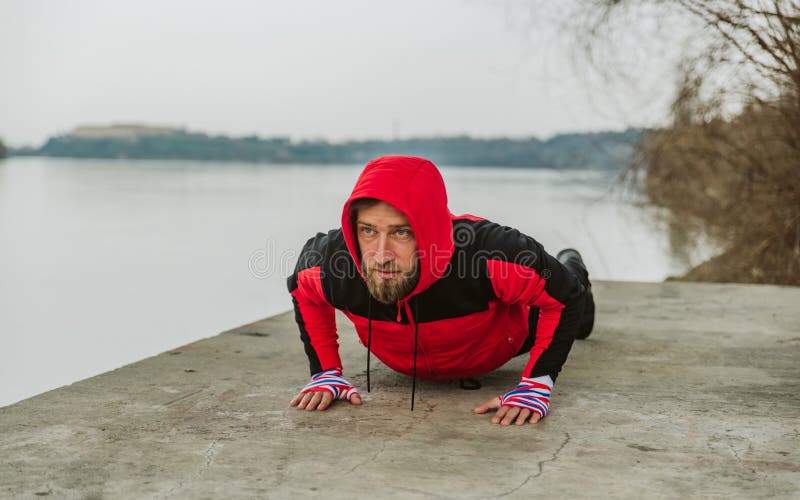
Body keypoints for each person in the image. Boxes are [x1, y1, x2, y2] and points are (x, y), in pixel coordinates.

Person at [287, 155, 595, 426]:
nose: (381, 255)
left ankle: (571, 262)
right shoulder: (332, 262)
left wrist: (536, 384)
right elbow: (303, 291)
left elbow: (564, 297)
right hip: (402, 362)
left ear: (428, 228)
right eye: (368, 230)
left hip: (502, 342)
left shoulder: (489, 253)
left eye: (401, 232)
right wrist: (326, 371)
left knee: (572, 298)